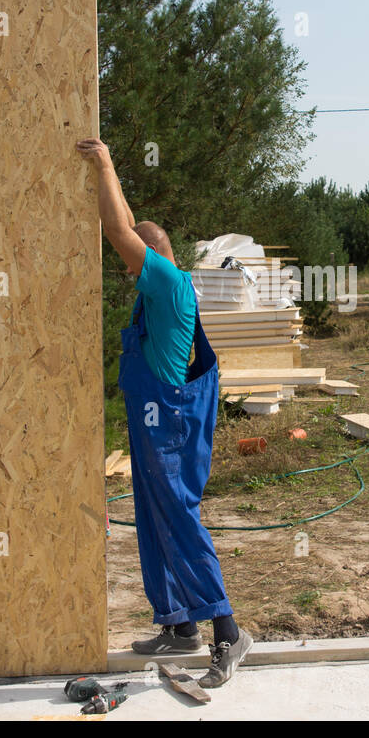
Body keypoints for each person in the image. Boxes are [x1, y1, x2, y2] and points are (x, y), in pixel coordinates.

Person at [76, 136, 252, 689]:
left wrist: (105, 163)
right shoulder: (158, 286)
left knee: (177, 518)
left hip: (170, 429)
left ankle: (227, 630)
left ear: (148, 262)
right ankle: (180, 627)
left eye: (135, 265)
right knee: (155, 521)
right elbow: (128, 223)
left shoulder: (170, 284)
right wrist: (111, 180)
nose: (130, 273)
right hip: (155, 427)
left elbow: (117, 231)